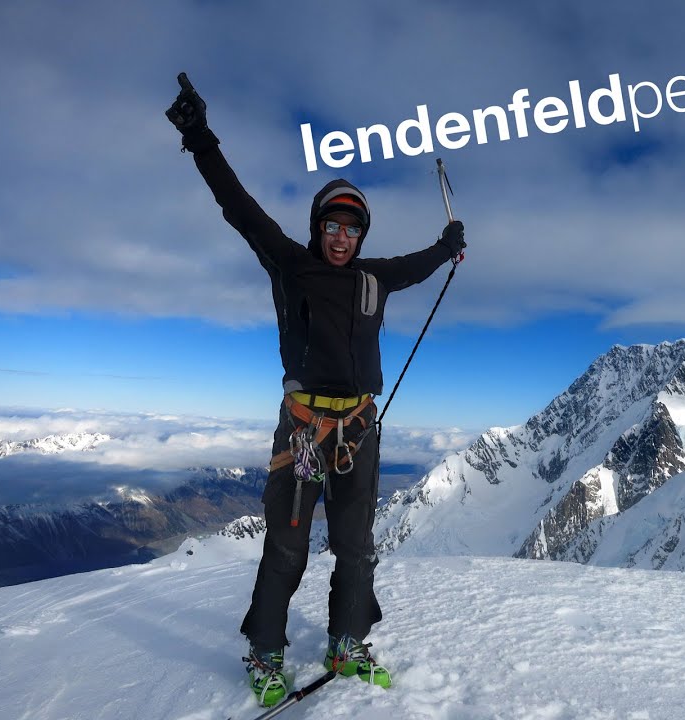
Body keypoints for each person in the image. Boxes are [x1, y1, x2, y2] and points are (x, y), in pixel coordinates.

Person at [166, 73, 465, 707]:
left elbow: (419, 263)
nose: (340, 237)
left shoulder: (374, 278)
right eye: (332, 225)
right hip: (303, 429)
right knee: (289, 545)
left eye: (351, 230)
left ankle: (347, 641)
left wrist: (447, 246)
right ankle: (266, 652)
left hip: (357, 428)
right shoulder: (290, 264)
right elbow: (238, 206)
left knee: (357, 546)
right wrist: (200, 138)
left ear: (361, 236)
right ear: (317, 227)